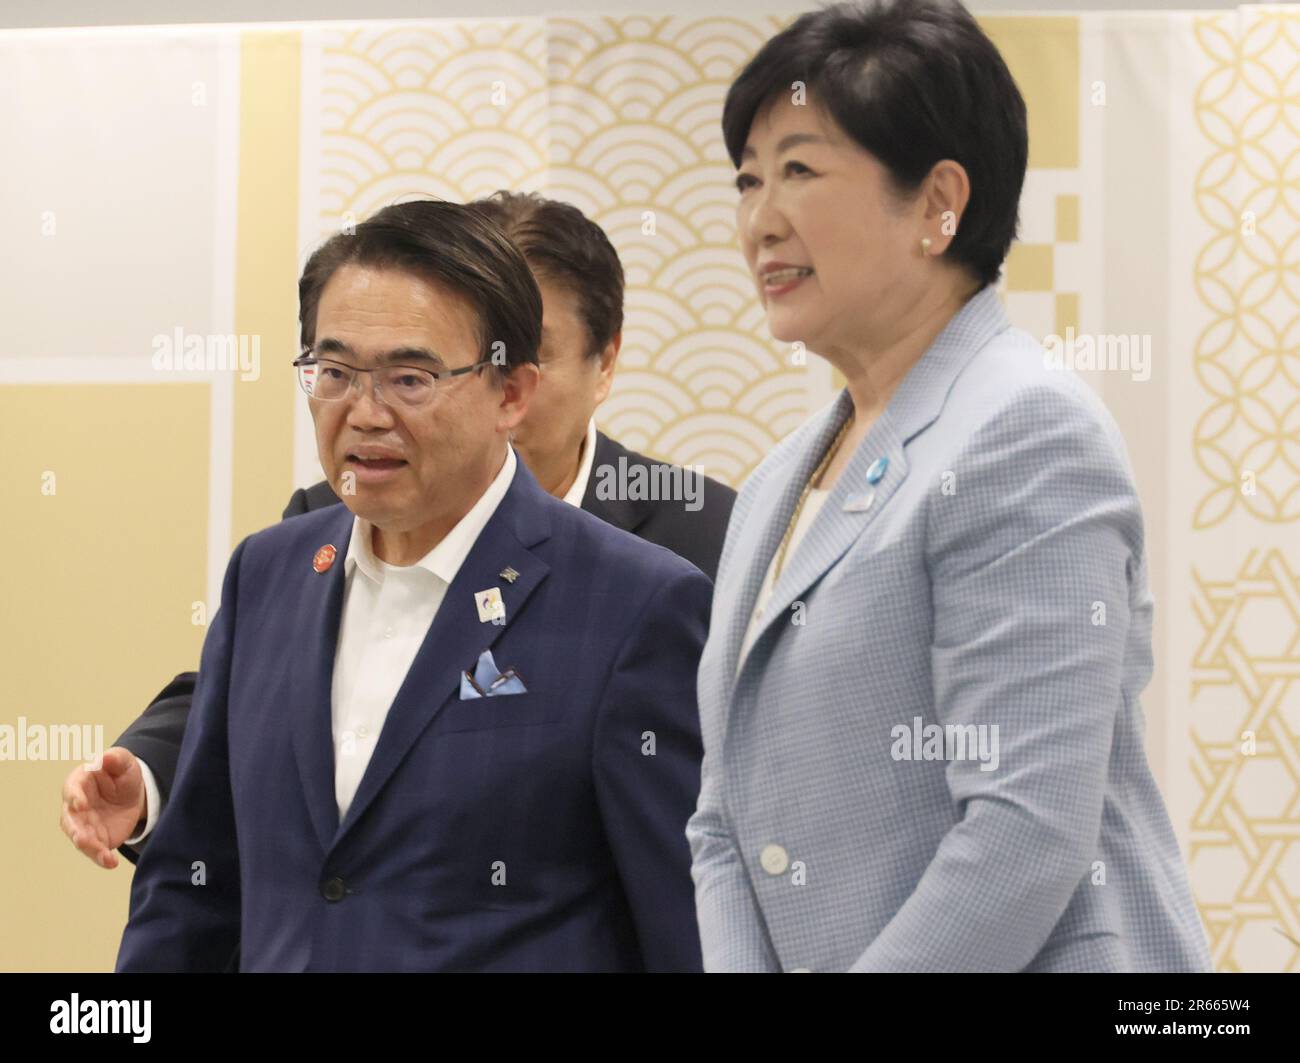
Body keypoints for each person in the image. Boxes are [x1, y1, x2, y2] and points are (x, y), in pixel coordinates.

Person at [687, 0, 1211, 972]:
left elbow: (1022, 832)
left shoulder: (1022, 431)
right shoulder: (769, 486)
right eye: (747, 179)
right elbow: (720, 818)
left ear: (937, 203)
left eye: (799, 170)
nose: (759, 220)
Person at [60, 191, 734, 874]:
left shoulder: (695, 546)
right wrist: (148, 776)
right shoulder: (323, 523)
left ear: (593, 364)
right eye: (340, 371)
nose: (370, 412)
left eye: (413, 376)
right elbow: (239, 711)